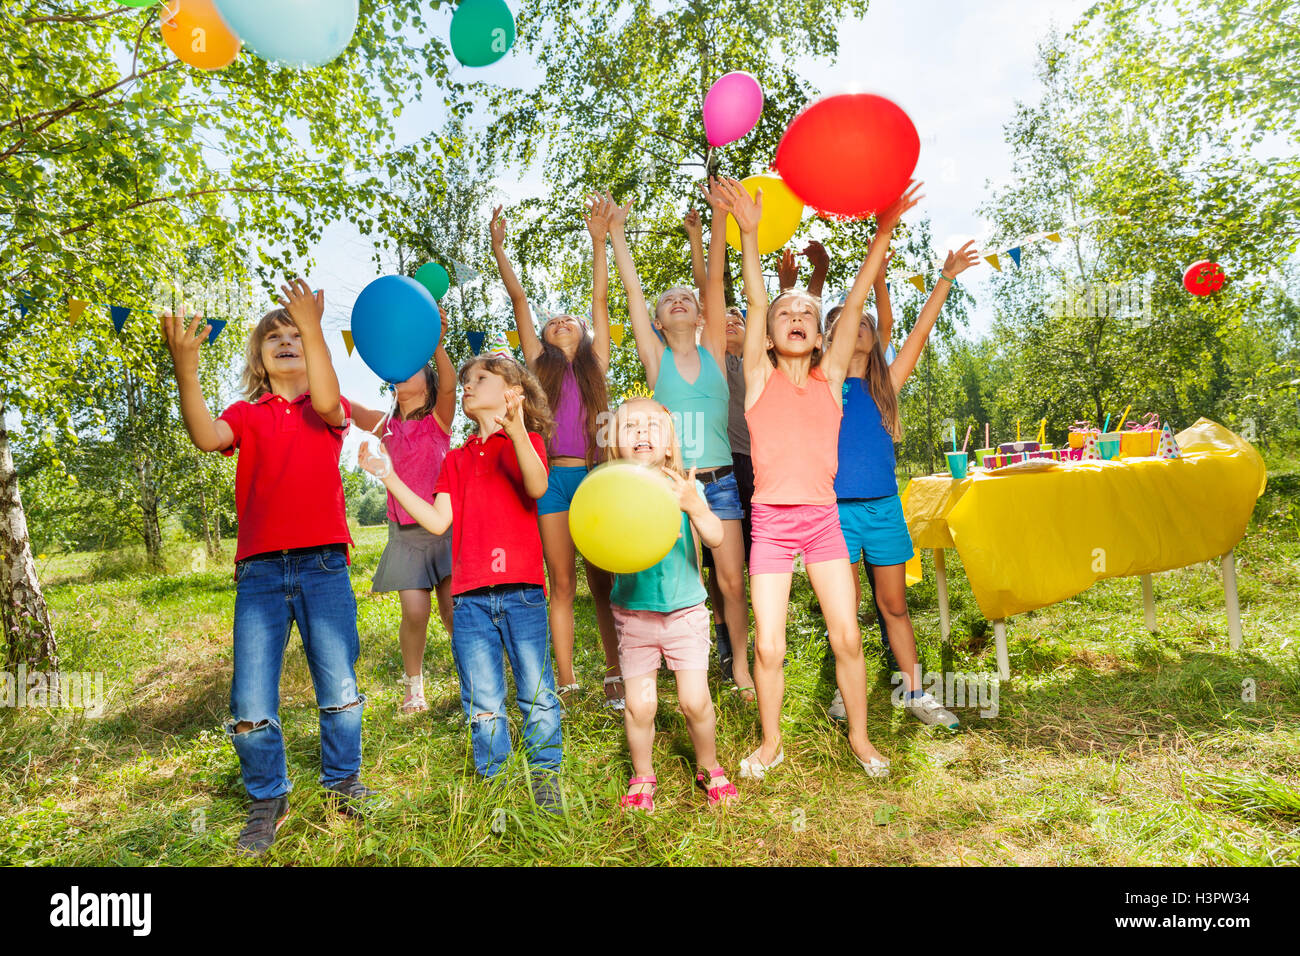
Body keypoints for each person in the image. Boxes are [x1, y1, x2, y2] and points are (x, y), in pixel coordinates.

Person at [720, 176, 922, 779]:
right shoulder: (757, 378)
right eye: (787, 312)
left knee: (849, 637)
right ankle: (770, 744)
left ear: (820, 332)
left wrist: (882, 234)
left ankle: (861, 739)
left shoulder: (834, 378)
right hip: (773, 525)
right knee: (769, 645)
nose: (797, 315)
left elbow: (856, 299)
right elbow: (756, 301)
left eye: (807, 311)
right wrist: (751, 236)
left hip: (823, 523)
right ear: (773, 329)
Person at [161, 280, 371, 857]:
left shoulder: (327, 408)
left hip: (323, 566)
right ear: (258, 357)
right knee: (250, 705)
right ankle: (267, 796)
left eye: (293, 336)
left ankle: (343, 781)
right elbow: (206, 437)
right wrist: (187, 366)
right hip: (258, 574)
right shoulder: (245, 414)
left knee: (340, 689)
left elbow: (329, 401)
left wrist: (314, 327)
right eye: (273, 337)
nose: (285, 341)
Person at [359, 355, 564, 813]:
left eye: (480, 379)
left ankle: (547, 776)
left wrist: (513, 430)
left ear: (515, 392)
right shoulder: (455, 458)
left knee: (535, 692)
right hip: (469, 599)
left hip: (523, 591)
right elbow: (435, 521)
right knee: (483, 700)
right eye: (466, 380)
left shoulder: (526, 442)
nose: (467, 386)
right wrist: (388, 476)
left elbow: (535, 486)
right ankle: (496, 780)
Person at [607, 185, 756, 700]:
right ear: (657, 319)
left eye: (685, 300)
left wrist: (719, 219)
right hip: (668, 487)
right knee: (687, 585)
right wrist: (618, 233)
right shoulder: (656, 358)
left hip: (719, 483)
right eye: (667, 299)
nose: (678, 301)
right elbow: (630, 290)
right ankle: (683, 657)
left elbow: (713, 279)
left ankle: (739, 664)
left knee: (732, 582)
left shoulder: (715, 347)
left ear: (698, 317)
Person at [826, 240, 980, 728]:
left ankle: (914, 691)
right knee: (844, 612)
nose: (864, 328)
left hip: (884, 510)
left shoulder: (883, 385)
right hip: (834, 514)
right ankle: (845, 691)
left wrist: (946, 278)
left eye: (869, 325)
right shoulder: (818, 386)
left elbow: (917, 331)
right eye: (854, 323)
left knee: (893, 605)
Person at [490, 198, 623, 709]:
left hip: (594, 480)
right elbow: (521, 301)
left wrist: (598, 241)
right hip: (551, 484)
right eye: (554, 321)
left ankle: (615, 673)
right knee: (562, 584)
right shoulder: (537, 368)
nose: (563, 320)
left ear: (585, 335)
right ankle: (566, 682)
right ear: (541, 338)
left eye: (571, 319)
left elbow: (601, 302)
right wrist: (501, 251)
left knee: (604, 583)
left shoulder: (595, 365)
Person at [604, 398, 737, 811]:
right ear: (615, 442)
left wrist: (695, 505)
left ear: (668, 443)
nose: (641, 433)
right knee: (640, 705)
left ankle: (709, 764)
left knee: (693, 701)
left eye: (651, 426)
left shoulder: (686, 486)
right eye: (630, 427)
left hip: (684, 615)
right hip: (634, 616)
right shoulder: (610, 492)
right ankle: (643, 773)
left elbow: (715, 537)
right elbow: (600, 545)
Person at [350, 338, 456, 714]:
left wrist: (436, 343)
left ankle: (474, 676)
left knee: (452, 612)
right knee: (414, 612)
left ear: (425, 383)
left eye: (412, 365)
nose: (400, 369)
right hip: (406, 537)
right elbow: (350, 409)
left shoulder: (438, 421)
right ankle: (414, 688)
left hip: (444, 532)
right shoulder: (387, 425)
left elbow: (448, 383)